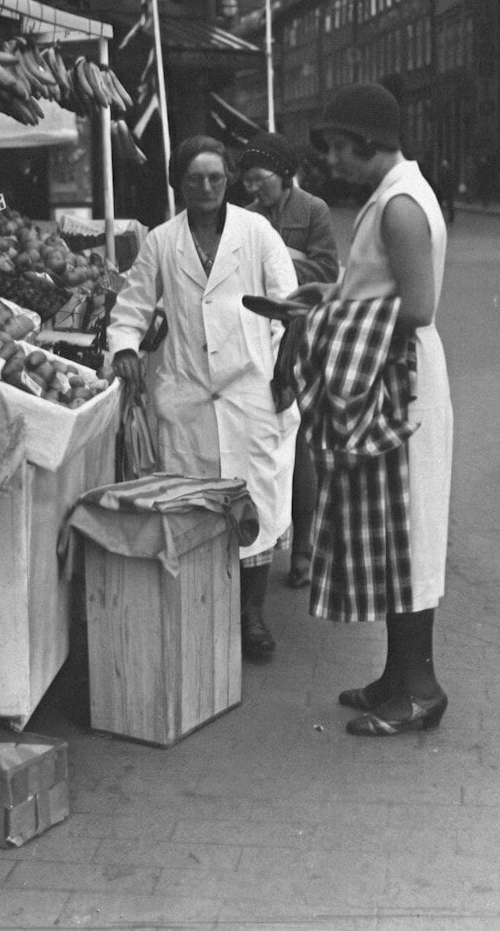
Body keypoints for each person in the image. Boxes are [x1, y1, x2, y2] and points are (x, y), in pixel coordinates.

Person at [298, 82, 454, 736]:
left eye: (337, 146)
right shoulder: (389, 196)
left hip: (401, 386)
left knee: (408, 536)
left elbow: (417, 308)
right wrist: (331, 292)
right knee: (391, 536)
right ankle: (396, 677)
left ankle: (420, 690)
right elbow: (381, 285)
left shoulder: (400, 207)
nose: (332, 160)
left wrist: (334, 314)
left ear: (368, 144)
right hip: (386, 379)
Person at [107, 135, 299, 659]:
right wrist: (124, 346)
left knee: (253, 501)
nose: (207, 187)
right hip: (187, 393)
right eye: (195, 179)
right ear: (179, 184)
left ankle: (251, 616)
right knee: (197, 506)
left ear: (229, 180)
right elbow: (131, 307)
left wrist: (284, 368)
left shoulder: (256, 232)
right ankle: (202, 609)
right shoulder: (162, 242)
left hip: (249, 391)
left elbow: (289, 307)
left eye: (216, 177)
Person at [240, 132, 340, 591]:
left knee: (303, 446)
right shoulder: (244, 217)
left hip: (305, 338)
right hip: (260, 338)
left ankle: (304, 549)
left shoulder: (313, 211)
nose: (253, 190)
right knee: (268, 441)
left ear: (283, 176)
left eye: (260, 180)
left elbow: (325, 272)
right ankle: (268, 540)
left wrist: (281, 262)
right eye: (248, 181)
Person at [434, 156, 456, 223]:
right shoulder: (443, 171)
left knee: (449, 204)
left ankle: (450, 218)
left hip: (448, 190)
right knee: (446, 204)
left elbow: (450, 180)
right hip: (445, 189)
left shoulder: (448, 171)